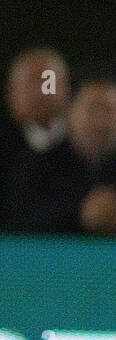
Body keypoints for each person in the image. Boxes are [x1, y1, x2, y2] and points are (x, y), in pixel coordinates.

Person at [3, 80, 116, 236]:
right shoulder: (39, 165)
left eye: (110, 110)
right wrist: (79, 214)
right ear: (70, 115)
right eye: (92, 109)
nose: (101, 122)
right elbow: (18, 222)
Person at [1, 48, 71, 216]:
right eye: (31, 83)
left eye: (48, 82)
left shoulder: (86, 144)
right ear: (11, 94)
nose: (41, 91)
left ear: (66, 87)